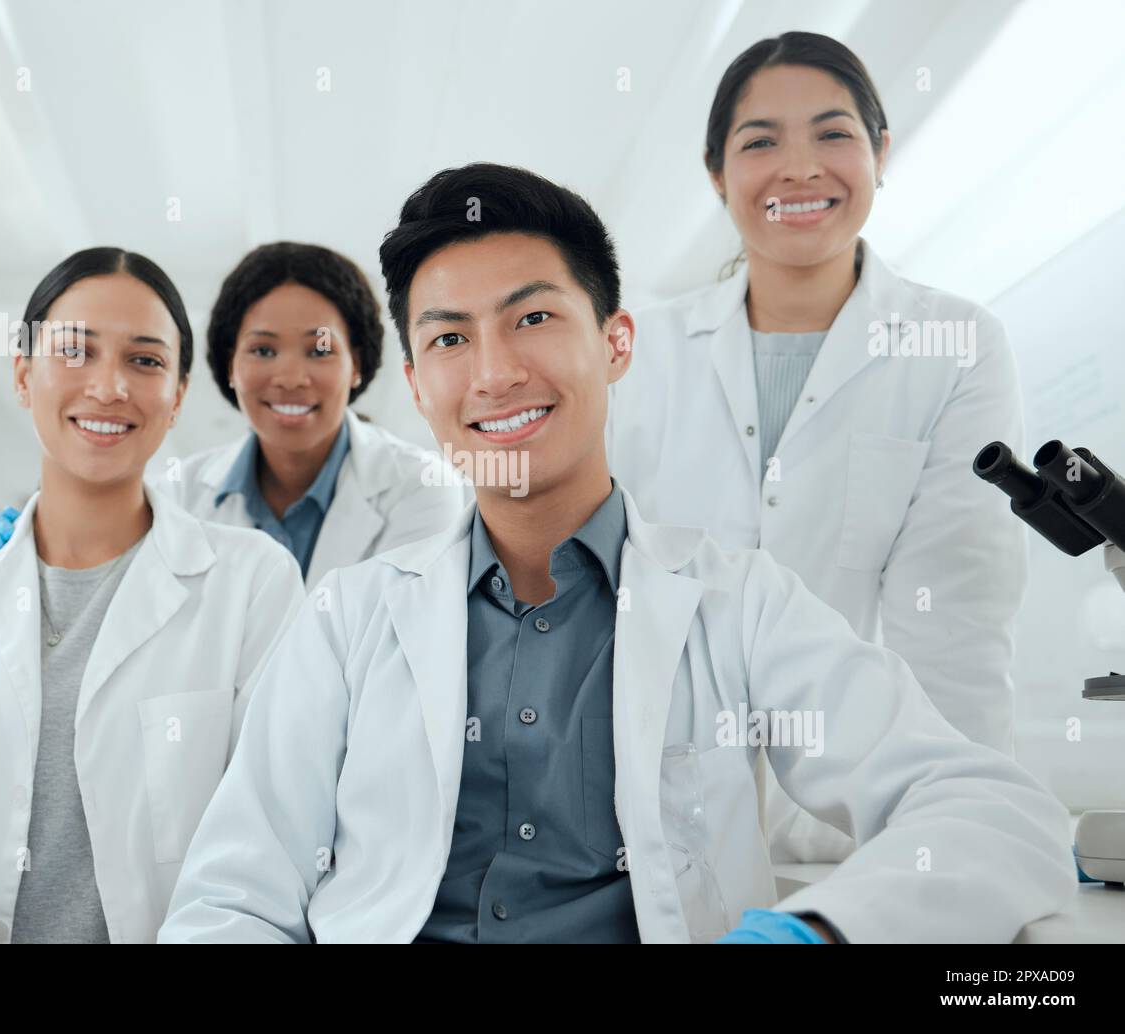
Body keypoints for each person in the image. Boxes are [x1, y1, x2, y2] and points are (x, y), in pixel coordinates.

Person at [157, 163, 1073, 944]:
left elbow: (996, 813)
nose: (494, 372)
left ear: (617, 341)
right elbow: (232, 896)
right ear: (415, 385)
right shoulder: (349, 620)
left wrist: (814, 932)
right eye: (448, 338)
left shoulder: (734, 602)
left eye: (533, 319)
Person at [606, 32, 1027, 863]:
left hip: (862, 802)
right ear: (716, 171)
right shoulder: (636, 351)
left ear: (880, 153)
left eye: (833, 135)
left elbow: (957, 621)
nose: (799, 168)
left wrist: (953, 825)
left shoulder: (956, 343)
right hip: (651, 804)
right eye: (761, 141)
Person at [0, 248, 305, 943]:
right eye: (75, 352)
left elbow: (263, 847)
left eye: (145, 360)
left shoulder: (252, 585)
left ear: (177, 395)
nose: (109, 386)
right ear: (24, 375)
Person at [0, 242, 466, 584]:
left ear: (359, 365)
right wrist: (27, 543)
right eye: (262, 350)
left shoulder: (420, 490)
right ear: (229, 367)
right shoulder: (178, 494)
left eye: (319, 350)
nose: (289, 376)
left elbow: (400, 654)